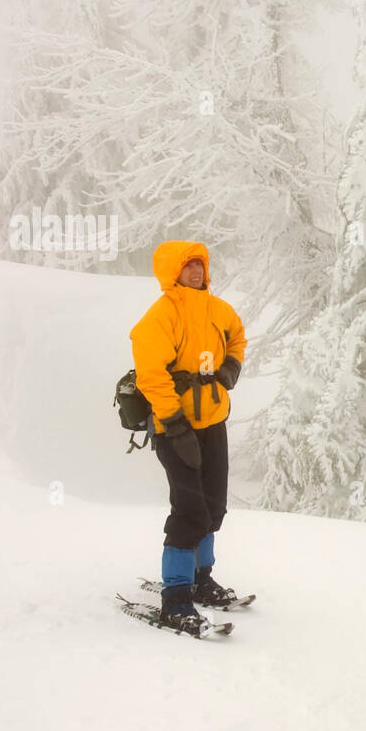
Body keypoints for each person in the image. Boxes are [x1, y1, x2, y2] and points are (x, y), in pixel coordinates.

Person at [130, 240, 247, 628]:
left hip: (212, 421)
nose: (196, 272)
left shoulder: (218, 309)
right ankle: (176, 596)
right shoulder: (160, 317)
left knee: (213, 508)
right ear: (172, 272)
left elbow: (237, 336)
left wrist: (230, 367)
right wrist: (174, 423)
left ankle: (201, 579)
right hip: (174, 427)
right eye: (187, 266)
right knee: (190, 511)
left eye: (199, 264)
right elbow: (151, 374)